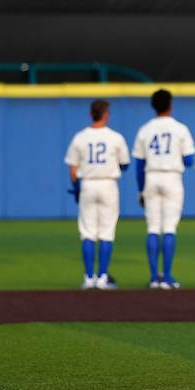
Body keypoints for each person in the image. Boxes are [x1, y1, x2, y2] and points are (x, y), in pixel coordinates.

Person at [132, 89, 195, 289]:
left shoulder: (145, 129)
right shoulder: (180, 128)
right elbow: (189, 160)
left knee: (153, 227)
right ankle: (167, 276)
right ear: (170, 104)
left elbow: (139, 164)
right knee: (169, 227)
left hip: (151, 177)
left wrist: (141, 190)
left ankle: (154, 277)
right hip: (171, 177)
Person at [65, 100, 131, 290]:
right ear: (106, 114)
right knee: (106, 232)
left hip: (87, 184)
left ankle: (88, 277)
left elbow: (73, 168)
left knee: (88, 232)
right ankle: (102, 277)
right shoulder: (115, 137)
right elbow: (125, 164)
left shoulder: (80, 137)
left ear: (90, 113)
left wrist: (76, 188)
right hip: (108, 184)